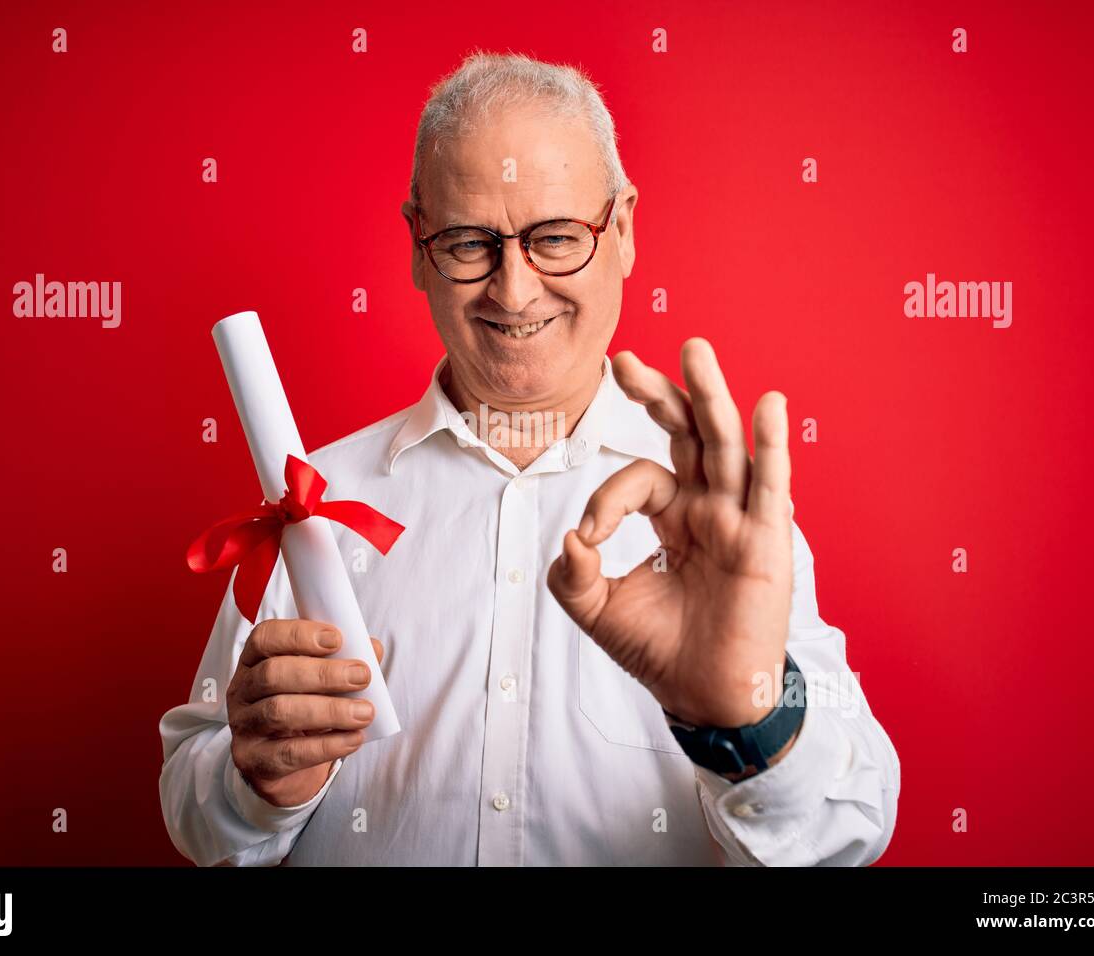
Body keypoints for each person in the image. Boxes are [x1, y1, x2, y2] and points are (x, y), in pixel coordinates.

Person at [159, 50, 900, 866]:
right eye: (471, 242)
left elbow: (849, 830)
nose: (514, 292)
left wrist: (750, 718)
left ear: (621, 231)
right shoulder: (311, 504)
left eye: (554, 238)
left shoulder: (721, 518)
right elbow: (197, 807)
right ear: (417, 244)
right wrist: (253, 785)